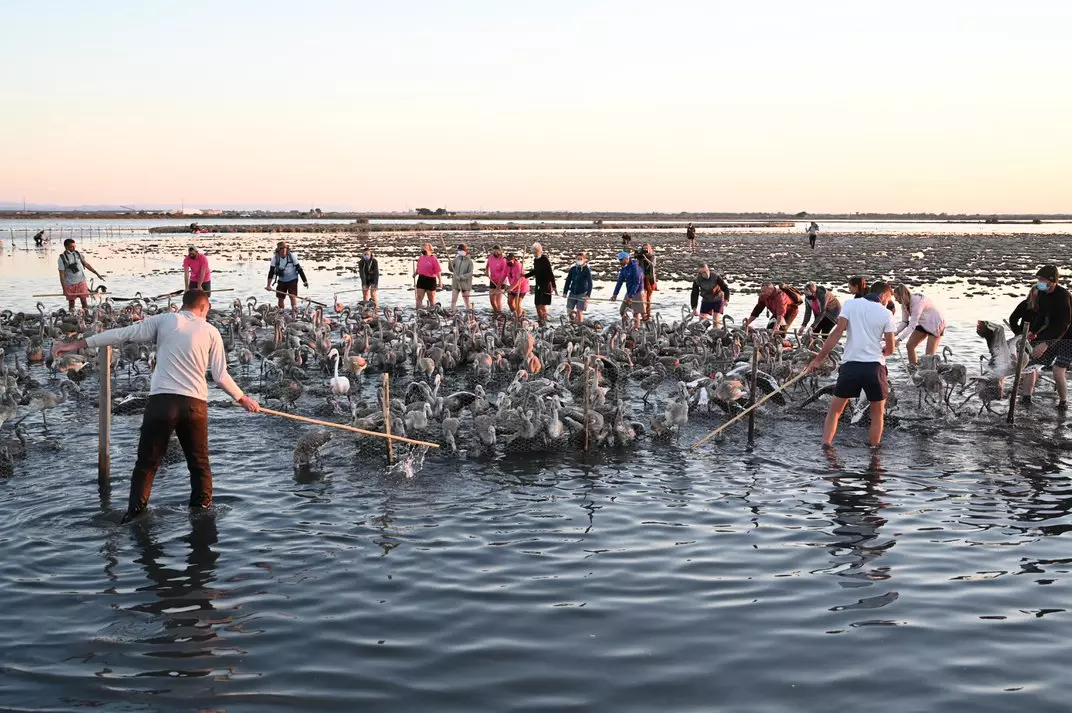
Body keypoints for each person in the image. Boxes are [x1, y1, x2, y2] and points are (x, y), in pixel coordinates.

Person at [52, 290, 261, 523]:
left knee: (147, 464)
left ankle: (135, 515)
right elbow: (220, 376)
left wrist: (76, 344)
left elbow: (122, 334)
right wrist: (244, 399)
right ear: (204, 307)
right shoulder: (211, 331)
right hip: (194, 405)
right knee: (199, 464)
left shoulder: (164, 320)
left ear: (184, 305)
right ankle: (202, 517)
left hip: (162, 403)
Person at [806, 281, 897, 448]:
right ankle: (874, 452)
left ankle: (826, 447)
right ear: (883, 296)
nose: (888, 302)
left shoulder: (850, 304)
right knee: (877, 414)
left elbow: (836, 334)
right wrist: (883, 350)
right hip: (874, 367)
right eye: (888, 299)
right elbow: (891, 348)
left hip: (850, 366)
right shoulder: (886, 314)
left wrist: (818, 360)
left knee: (835, 412)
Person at [1020, 265, 1072, 409]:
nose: (1039, 282)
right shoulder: (1042, 294)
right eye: (1038, 279)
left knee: (1058, 369)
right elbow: (1042, 316)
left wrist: (1046, 344)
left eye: (1042, 279)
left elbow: (1064, 324)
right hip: (1051, 333)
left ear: (1052, 281)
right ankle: (1026, 398)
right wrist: (1033, 331)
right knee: (1030, 363)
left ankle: (1063, 402)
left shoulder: (1063, 296)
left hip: (1068, 337)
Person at [892, 284, 946, 367]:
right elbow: (904, 322)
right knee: (910, 345)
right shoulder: (904, 304)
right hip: (923, 323)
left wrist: (899, 340)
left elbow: (912, 326)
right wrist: (893, 334)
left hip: (936, 324)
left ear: (902, 296)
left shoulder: (917, 302)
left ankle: (932, 372)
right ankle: (913, 368)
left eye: (896, 298)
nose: (895, 300)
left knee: (928, 356)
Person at [57, 238, 104, 312]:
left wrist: (96, 273)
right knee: (71, 303)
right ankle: (72, 317)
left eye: (74, 246)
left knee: (84, 301)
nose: (73, 248)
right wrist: (64, 289)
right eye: (71, 247)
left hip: (81, 282)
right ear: (66, 247)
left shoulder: (78, 254)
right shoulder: (62, 258)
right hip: (70, 284)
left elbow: (86, 264)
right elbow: (61, 275)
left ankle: (86, 316)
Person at [266, 241, 308, 311]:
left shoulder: (291, 256)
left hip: (292, 279)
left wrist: (305, 281)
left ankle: (294, 313)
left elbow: (299, 269)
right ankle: (281, 312)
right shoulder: (275, 258)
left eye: (285, 248)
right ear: (278, 250)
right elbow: (271, 272)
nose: (284, 250)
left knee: (292, 297)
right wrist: (268, 285)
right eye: (282, 248)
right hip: (282, 280)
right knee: (280, 298)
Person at [611, 250, 645, 329]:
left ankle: (636, 329)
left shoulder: (635, 268)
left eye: (621, 260)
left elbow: (636, 283)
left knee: (636, 313)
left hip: (637, 292)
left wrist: (630, 296)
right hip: (629, 291)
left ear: (627, 259)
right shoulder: (624, 268)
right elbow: (619, 282)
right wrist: (615, 294)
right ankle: (628, 325)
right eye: (619, 260)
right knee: (622, 311)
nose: (620, 261)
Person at [526, 242, 557, 325]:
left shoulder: (545, 260)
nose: (535, 254)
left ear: (540, 251)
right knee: (537, 305)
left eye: (536, 252)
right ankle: (541, 321)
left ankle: (545, 322)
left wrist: (554, 286)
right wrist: (525, 275)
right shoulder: (535, 260)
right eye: (533, 253)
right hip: (538, 284)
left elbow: (550, 273)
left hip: (546, 285)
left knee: (542, 305)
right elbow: (535, 271)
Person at [562, 251, 593, 323]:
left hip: (582, 294)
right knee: (569, 311)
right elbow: (568, 281)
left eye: (580, 259)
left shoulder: (587, 270)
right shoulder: (573, 269)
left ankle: (580, 325)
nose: (579, 261)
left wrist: (588, 295)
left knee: (579, 312)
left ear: (584, 260)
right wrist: (565, 292)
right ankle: (572, 324)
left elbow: (590, 283)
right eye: (577, 259)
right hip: (572, 293)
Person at [413, 242, 442, 309]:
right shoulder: (421, 258)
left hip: (430, 280)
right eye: (423, 246)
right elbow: (419, 267)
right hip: (421, 279)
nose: (423, 248)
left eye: (425, 247)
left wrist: (440, 280)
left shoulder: (433, 259)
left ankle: (432, 312)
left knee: (431, 299)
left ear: (429, 249)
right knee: (419, 298)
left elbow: (438, 270)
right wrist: (415, 273)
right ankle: (418, 311)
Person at [450, 243, 475, 316]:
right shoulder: (456, 259)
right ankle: (453, 313)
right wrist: (450, 262)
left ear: (465, 251)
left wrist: (461, 277)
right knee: (453, 300)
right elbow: (451, 269)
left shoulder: (469, 261)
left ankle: (469, 315)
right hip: (456, 283)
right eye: (459, 250)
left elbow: (470, 273)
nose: (460, 251)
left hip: (465, 284)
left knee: (467, 301)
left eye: (461, 250)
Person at [636, 243, 657, 322]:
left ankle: (648, 315)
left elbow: (653, 265)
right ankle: (643, 315)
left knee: (648, 298)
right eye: (643, 249)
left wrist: (646, 259)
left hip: (650, 279)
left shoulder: (653, 256)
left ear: (649, 249)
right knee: (642, 297)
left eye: (646, 249)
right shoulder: (640, 256)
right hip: (642, 278)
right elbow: (637, 266)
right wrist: (638, 260)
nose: (645, 250)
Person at [504, 252, 528, 320]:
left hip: (522, 286)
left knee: (517, 302)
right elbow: (503, 276)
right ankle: (515, 314)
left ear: (514, 259)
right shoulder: (507, 265)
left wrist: (511, 288)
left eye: (509, 260)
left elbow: (519, 280)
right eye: (507, 260)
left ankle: (519, 318)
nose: (508, 261)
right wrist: (498, 287)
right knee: (510, 302)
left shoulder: (519, 266)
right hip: (512, 286)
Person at [486, 245, 508, 314]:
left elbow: (505, 273)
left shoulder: (503, 260)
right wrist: (487, 272)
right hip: (492, 280)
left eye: (497, 251)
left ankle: (500, 314)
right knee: (492, 301)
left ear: (500, 251)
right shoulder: (490, 258)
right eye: (494, 251)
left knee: (498, 300)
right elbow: (487, 266)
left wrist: (499, 285)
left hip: (502, 282)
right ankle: (496, 312)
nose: (495, 253)